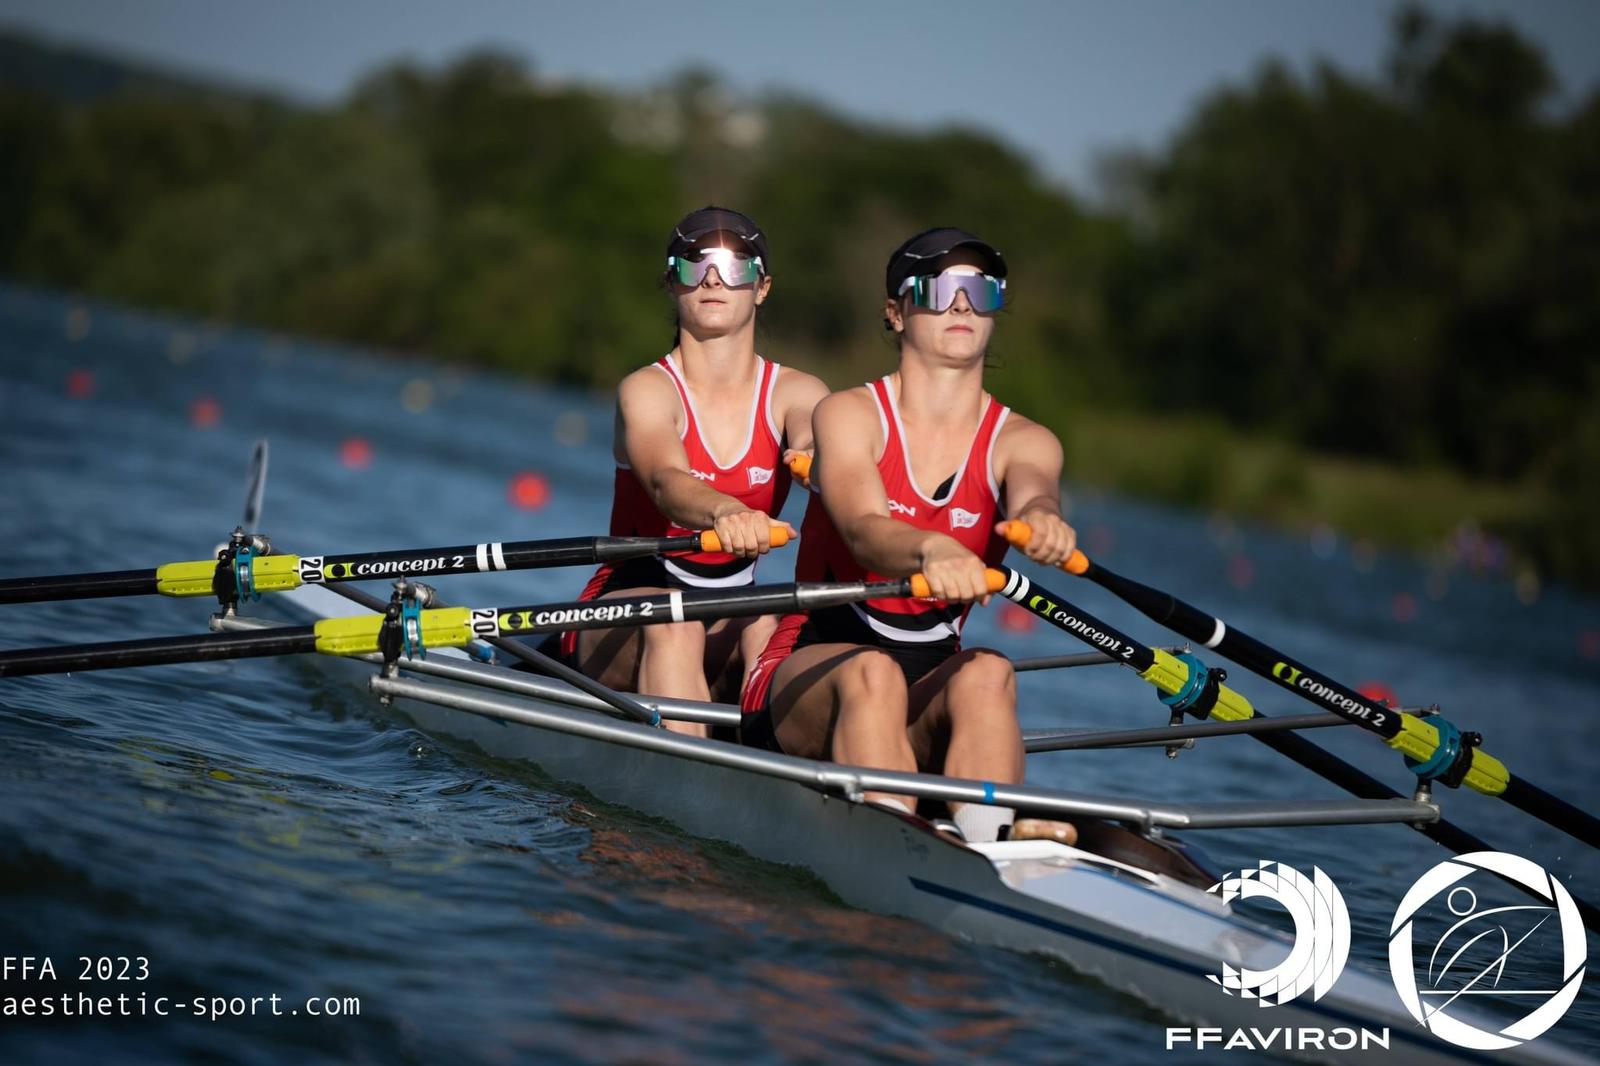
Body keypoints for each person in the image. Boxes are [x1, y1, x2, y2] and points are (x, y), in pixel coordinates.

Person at [740, 227, 1079, 844]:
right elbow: (864, 532)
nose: (962, 304)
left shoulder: (1027, 441)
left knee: (989, 672)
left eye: (981, 290)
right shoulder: (849, 414)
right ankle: (901, 846)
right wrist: (931, 547)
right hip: (809, 668)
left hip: (928, 686)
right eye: (940, 288)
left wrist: (1045, 520)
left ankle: (988, 847)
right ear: (896, 312)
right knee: (873, 675)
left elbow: (1035, 492)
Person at [561, 206, 828, 736]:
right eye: (693, 262)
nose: (712, 278)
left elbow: (814, 438)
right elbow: (667, 481)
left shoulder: (799, 392)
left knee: (772, 628)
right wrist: (726, 511)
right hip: (628, 606)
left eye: (735, 264)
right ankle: (687, 775)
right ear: (671, 282)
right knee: (675, 620)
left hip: (733, 611)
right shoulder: (647, 390)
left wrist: (818, 459)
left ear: (763, 287)